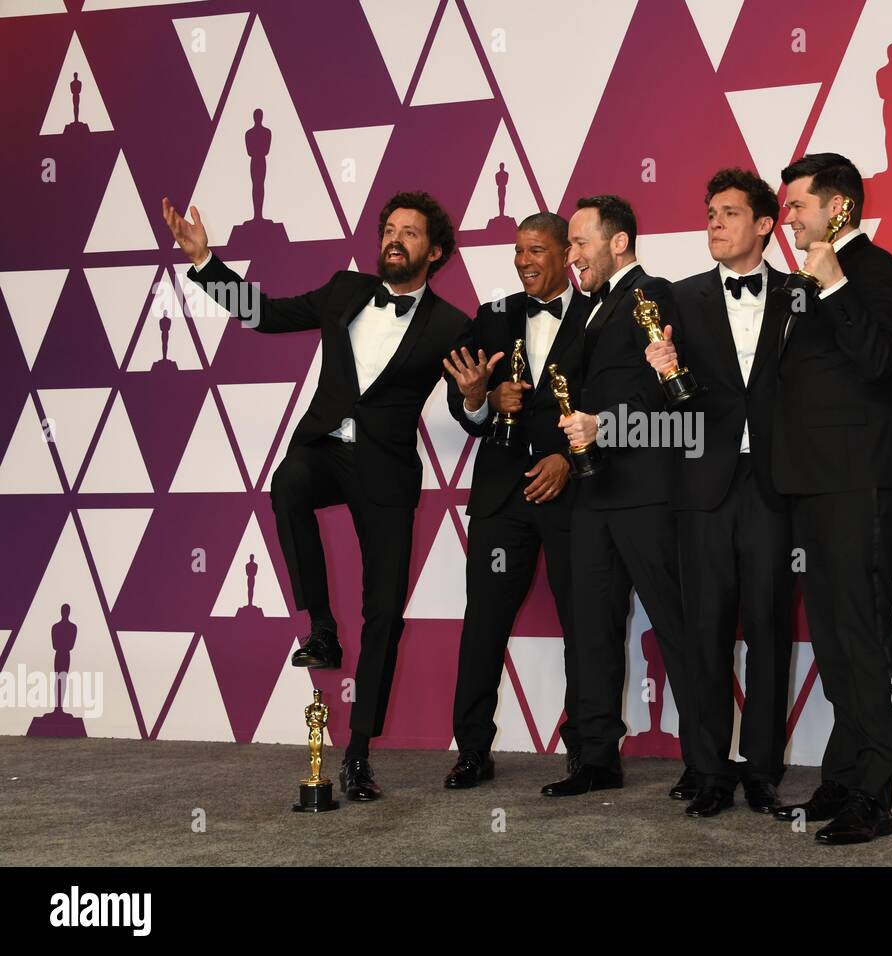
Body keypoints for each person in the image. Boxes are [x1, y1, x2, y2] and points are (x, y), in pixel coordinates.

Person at [161, 190, 482, 802]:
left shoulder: (450, 325)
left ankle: (358, 756)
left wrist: (473, 399)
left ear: (434, 251)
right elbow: (267, 314)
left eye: (410, 232)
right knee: (288, 483)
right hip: (325, 450)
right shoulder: (344, 288)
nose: (395, 238)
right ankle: (323, 626)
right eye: (389, 228)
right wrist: (206, 263)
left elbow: (471, 414)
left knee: (385, 612)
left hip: (386, 472)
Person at [768, 153, 892, 844]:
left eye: (797, 205)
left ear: (839, 208)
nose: (787, 218)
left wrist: (833, 286)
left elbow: (881, 362)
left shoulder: (879, 272)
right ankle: (846, 770)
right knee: (832, 634)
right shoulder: (804, 281)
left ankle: (874, 794)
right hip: (813, 484)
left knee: (862, 634)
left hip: (860, 483)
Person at [642, 168, 794, 817]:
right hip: (702, 487)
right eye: (709, 213)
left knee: (768, 632)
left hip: (775, 488)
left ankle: (760, 771)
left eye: (729, 213)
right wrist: (662, 373)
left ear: (765, 224)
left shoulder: (801, 296)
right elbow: (668, 401)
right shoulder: (677, 297)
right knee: (702, 635)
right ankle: (707, 772)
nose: (714, 223)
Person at [540, 195, 701, 798]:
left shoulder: (648, 294)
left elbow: (667, 396)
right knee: (590, 631)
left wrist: (604, 426)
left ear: (620, 243)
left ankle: (704, 761)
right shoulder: (587, 308)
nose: (570, 253)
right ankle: (596, 759)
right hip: (594, 494)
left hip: (645, 492)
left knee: (677, 627)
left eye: (579, 242)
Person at [443, 212, 591, 788]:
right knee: (482, 624)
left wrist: (567, 460)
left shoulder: (597, 315)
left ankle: (586, 745)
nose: (524, 261)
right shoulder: (492, 318)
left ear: (564, 253)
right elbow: (467, 407)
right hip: (503, 499)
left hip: (571, 493)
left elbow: (608, 400)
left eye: (536, 250)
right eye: (518, 251)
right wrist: (480, 397)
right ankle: (472, 750)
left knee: (584, 623)